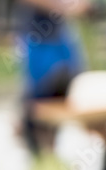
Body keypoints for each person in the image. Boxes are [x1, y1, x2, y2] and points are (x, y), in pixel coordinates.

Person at [16, 0, 90, 156]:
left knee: (71, 91)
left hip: (60, 35)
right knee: (39, 98)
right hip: (38, 38)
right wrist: (62, 6)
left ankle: (50, 147)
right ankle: (36, 149)